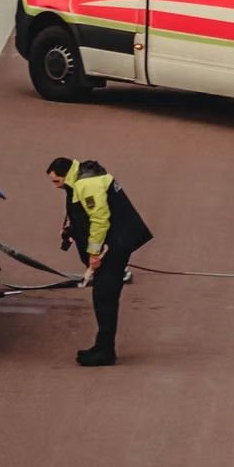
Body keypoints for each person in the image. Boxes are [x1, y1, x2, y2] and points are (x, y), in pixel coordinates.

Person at [48, 156, 153, 366]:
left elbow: (99, 219)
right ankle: (102, 346)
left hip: (113, 246)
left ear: (65, 175)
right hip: (115, 242)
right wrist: (71, 230)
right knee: (103, 296)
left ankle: (105, 351)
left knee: (104, 297)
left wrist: (94, 254)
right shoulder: (81, 179)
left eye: (56, 181)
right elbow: (80, 213)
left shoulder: (87, 185)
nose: (56, 186)